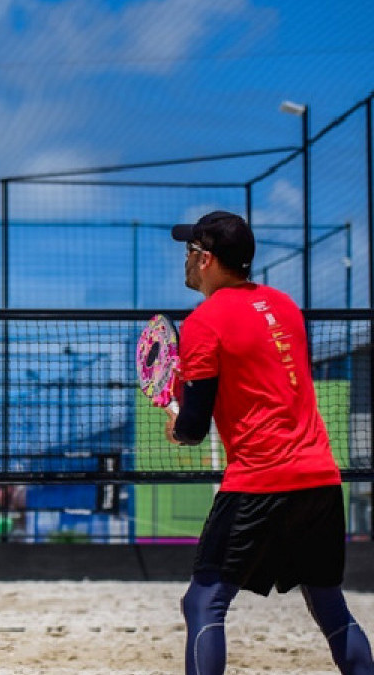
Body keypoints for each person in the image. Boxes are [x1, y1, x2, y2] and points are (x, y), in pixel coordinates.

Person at [166, 211, 374, 675]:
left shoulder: (203, 323)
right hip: (319, 477)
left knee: (203, 603)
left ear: (205, 259)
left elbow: (194, 429)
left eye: (189, 250)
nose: (184, 259)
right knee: (327, 601)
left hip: (260, 479)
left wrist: (176, 424)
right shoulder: (285, 306)